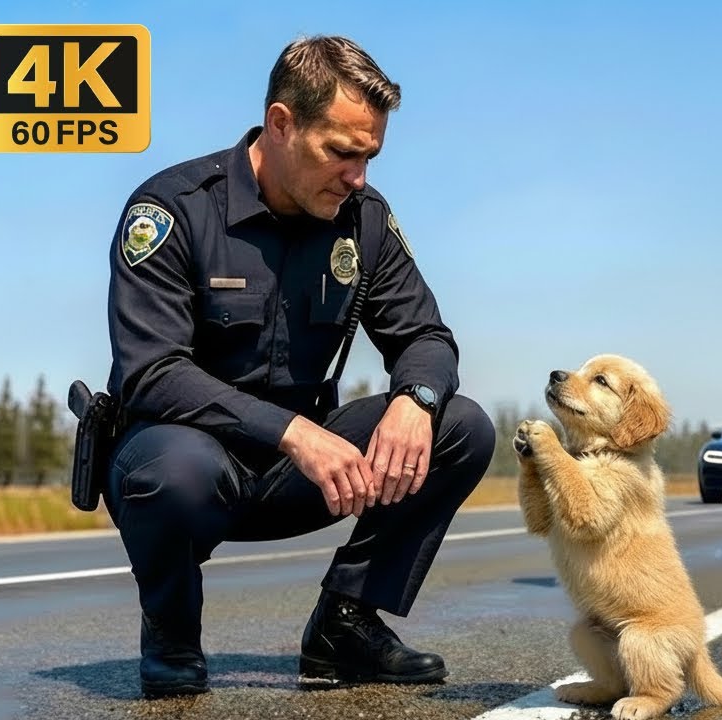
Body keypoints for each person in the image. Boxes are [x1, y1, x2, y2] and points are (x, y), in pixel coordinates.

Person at [101, 34, 495, 698]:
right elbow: (153, 371)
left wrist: (415, 400)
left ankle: (346, 624)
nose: (357, 177)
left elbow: (425, 335)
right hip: (188, 471)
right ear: (282, 124)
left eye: (369, 156)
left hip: (301, 478)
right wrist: (294, 432)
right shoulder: (172, 210)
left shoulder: (362, 221)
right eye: (341, 152)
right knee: (175, 470)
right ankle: (171, 634)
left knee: (460, 426)